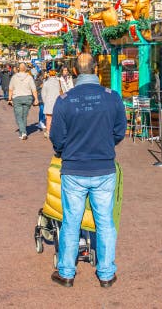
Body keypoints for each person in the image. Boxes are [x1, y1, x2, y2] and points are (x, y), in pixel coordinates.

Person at [49, 53, 126, 288]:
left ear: (74, 71)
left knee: (71, 221)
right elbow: (119, 131)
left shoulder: (65, 100)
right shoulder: (112, 97)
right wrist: (104, 145)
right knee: (105, 221)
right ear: (96, 69)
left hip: (74, 168)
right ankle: (106, 273)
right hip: (103, 167)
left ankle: (66, 272)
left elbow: (56, 137)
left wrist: (66, 150)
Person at [8, 63, 38, 140]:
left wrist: (9, 99)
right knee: (24, 116)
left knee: (18, 116)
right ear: (25, 69)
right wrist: (36, 99)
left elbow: (10, 89)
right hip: (28, 97)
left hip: (17, 98)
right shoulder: (29, 77)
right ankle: (22, 133)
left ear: (18, 68)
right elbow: (34, 89)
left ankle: (23, 132)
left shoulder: (14, 77)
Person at [40, 69, 62, 139]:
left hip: (48, 103)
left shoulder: (46, 83)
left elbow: (43, 94)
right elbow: (62, 92)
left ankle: (48, 132)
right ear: (55, 74)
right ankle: (57, 132)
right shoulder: (58, 82)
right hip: (57, 103)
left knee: (48, 118)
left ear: (49, 75)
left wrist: (45, 101)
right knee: (57, 118)